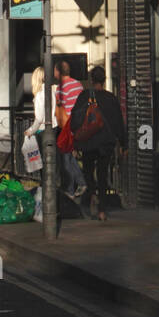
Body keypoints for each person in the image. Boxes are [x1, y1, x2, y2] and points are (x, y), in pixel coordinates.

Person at [69, 66, 126, 221]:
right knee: (103, 173)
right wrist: (123, 143)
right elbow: (119, 122)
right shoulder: (111, 98)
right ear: (104, 79)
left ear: (92, 80)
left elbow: (75, 119)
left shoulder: (84, 96)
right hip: (106, 142)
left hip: (89, 140)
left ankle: (92, 193)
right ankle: (102, 210)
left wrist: (75, 139)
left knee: (88, 169)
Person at [53, 60, 87, 200]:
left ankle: (71, 188)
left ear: (59, 72)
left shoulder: (60, 88)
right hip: (79, 124)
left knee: (65, 155)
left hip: (67, 125)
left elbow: (60, 109)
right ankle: (81, 183)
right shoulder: (78, 84)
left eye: (55, 70)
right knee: (71, 155)